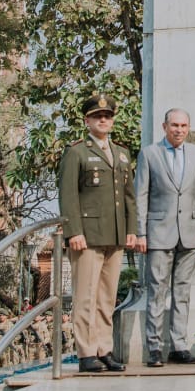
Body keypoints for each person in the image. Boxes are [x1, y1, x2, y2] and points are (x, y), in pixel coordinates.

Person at [58, 93, 137, 375]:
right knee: (86, 297)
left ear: (112, 120)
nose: (103, 120)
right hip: (88, 236)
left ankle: (104, 349)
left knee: (107, 298)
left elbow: (128, 197)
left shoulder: (122, 153)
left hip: (114, 235)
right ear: (87, 121)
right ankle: (87, 352)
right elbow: (68, 194)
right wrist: (73, 231)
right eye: (97, 116)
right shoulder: (77, 152)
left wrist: (131, 230)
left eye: (107, 116)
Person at [133, 107, 195, 368]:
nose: (179, 130)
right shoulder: (149, 154)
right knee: (157, 290)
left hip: (190, 234)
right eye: (175, 125)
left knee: (183, 291)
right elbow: (141, 195)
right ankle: (155, 348)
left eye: (183, 126)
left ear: (188, 128)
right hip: (158, 234)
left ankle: (179, 346)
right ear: (164, 127)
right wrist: (141, 232)